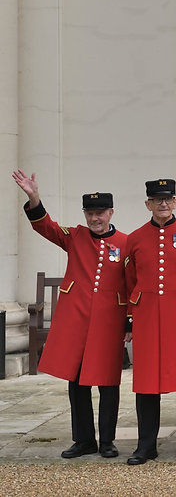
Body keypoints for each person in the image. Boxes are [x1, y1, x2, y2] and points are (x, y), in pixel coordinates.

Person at [12, 170, 128, 459]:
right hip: (77, 324)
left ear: (111, 212)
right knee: (77, 383)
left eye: (100, 213)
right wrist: (33, 196)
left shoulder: (126, 243)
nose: (94, 218)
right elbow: (45, 226)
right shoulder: (75, 236)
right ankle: (84, 439)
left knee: (108, 382)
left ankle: (108, 441)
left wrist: (130, 321)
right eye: (90, 213)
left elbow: (133, 284)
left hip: (109, 323)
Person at [122, 178, 176, 464]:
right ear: (148, 204)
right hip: (147, 319)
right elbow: (131, 281)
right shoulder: (134, 239)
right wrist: (131, 318)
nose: (163, 204)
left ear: (175, 201)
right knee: (147, 383)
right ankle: (146, 445)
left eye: (168, 198)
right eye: (157, 200)